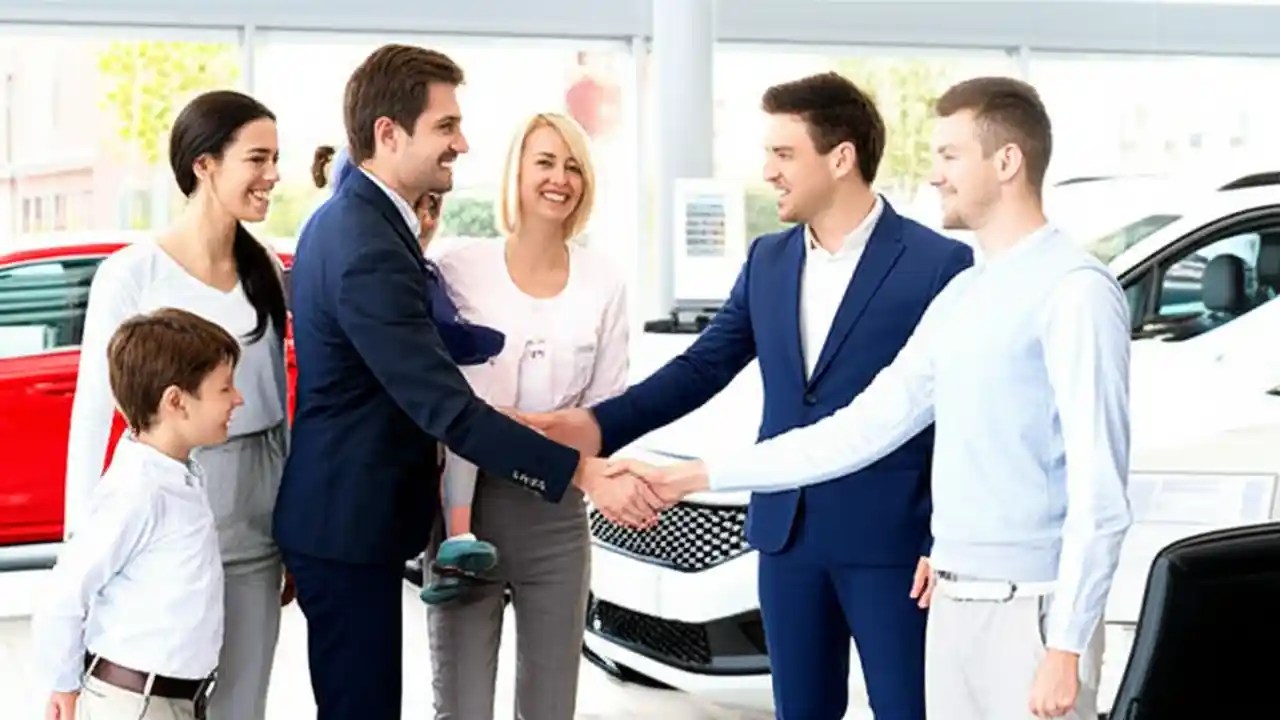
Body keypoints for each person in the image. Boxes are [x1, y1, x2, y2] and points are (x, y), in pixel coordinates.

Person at [613, 77, 1133, 720]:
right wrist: (688, 476)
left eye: (949, 155)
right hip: (952, 602)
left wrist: (1067, 642)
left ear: (1006, 161)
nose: (934, 174)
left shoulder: (1075, 291)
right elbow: (858, 428)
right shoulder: (964, 296)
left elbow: (1100, 491)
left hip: (1032, 609)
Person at [525, 73, 973, 719]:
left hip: (893, 541)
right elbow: (703, 367)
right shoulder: (769, 259)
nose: (767, 172)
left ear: (841, 158)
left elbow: (961, 417)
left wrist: (944, 535)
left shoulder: (939, 265)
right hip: (787, 536)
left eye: (783, 154)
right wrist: (598, 425)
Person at [272, 44, 658, 720]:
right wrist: (580, 470)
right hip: (349, 523)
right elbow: (447, 407)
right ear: (389, 133)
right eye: (446, 126)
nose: (462, 142)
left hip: (358, 520)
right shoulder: (369, 245)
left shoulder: (361, 224)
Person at [63, 90, 292, 720]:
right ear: (204, 164)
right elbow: (92, 419)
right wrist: (81, 554)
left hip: (255, 509)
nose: (273, 174)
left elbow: (277, 408)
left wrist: (292, 526)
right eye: (258, 158)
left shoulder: (264, 269)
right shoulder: (131, 274)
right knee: (162, 699)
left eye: (276, 159)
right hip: (162, 510)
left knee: (242, 704)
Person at [423, 111, 629, 718]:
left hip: (557, 512)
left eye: (572, 166)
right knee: (460, 704)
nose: (559, 179)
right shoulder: (460, 267)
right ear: (516, 171)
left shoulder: (603, 280)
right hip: (467, 509)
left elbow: (608, 409)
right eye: (544, 162)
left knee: (550, 705)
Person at [34, 308, 244, 720]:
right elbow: (64, 595)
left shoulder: (178, 475)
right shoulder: (138, 490)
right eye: (225, 388)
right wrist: (63, 684)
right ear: (176, 401)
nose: (238, 398)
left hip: (173, 700)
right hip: (137, 705)